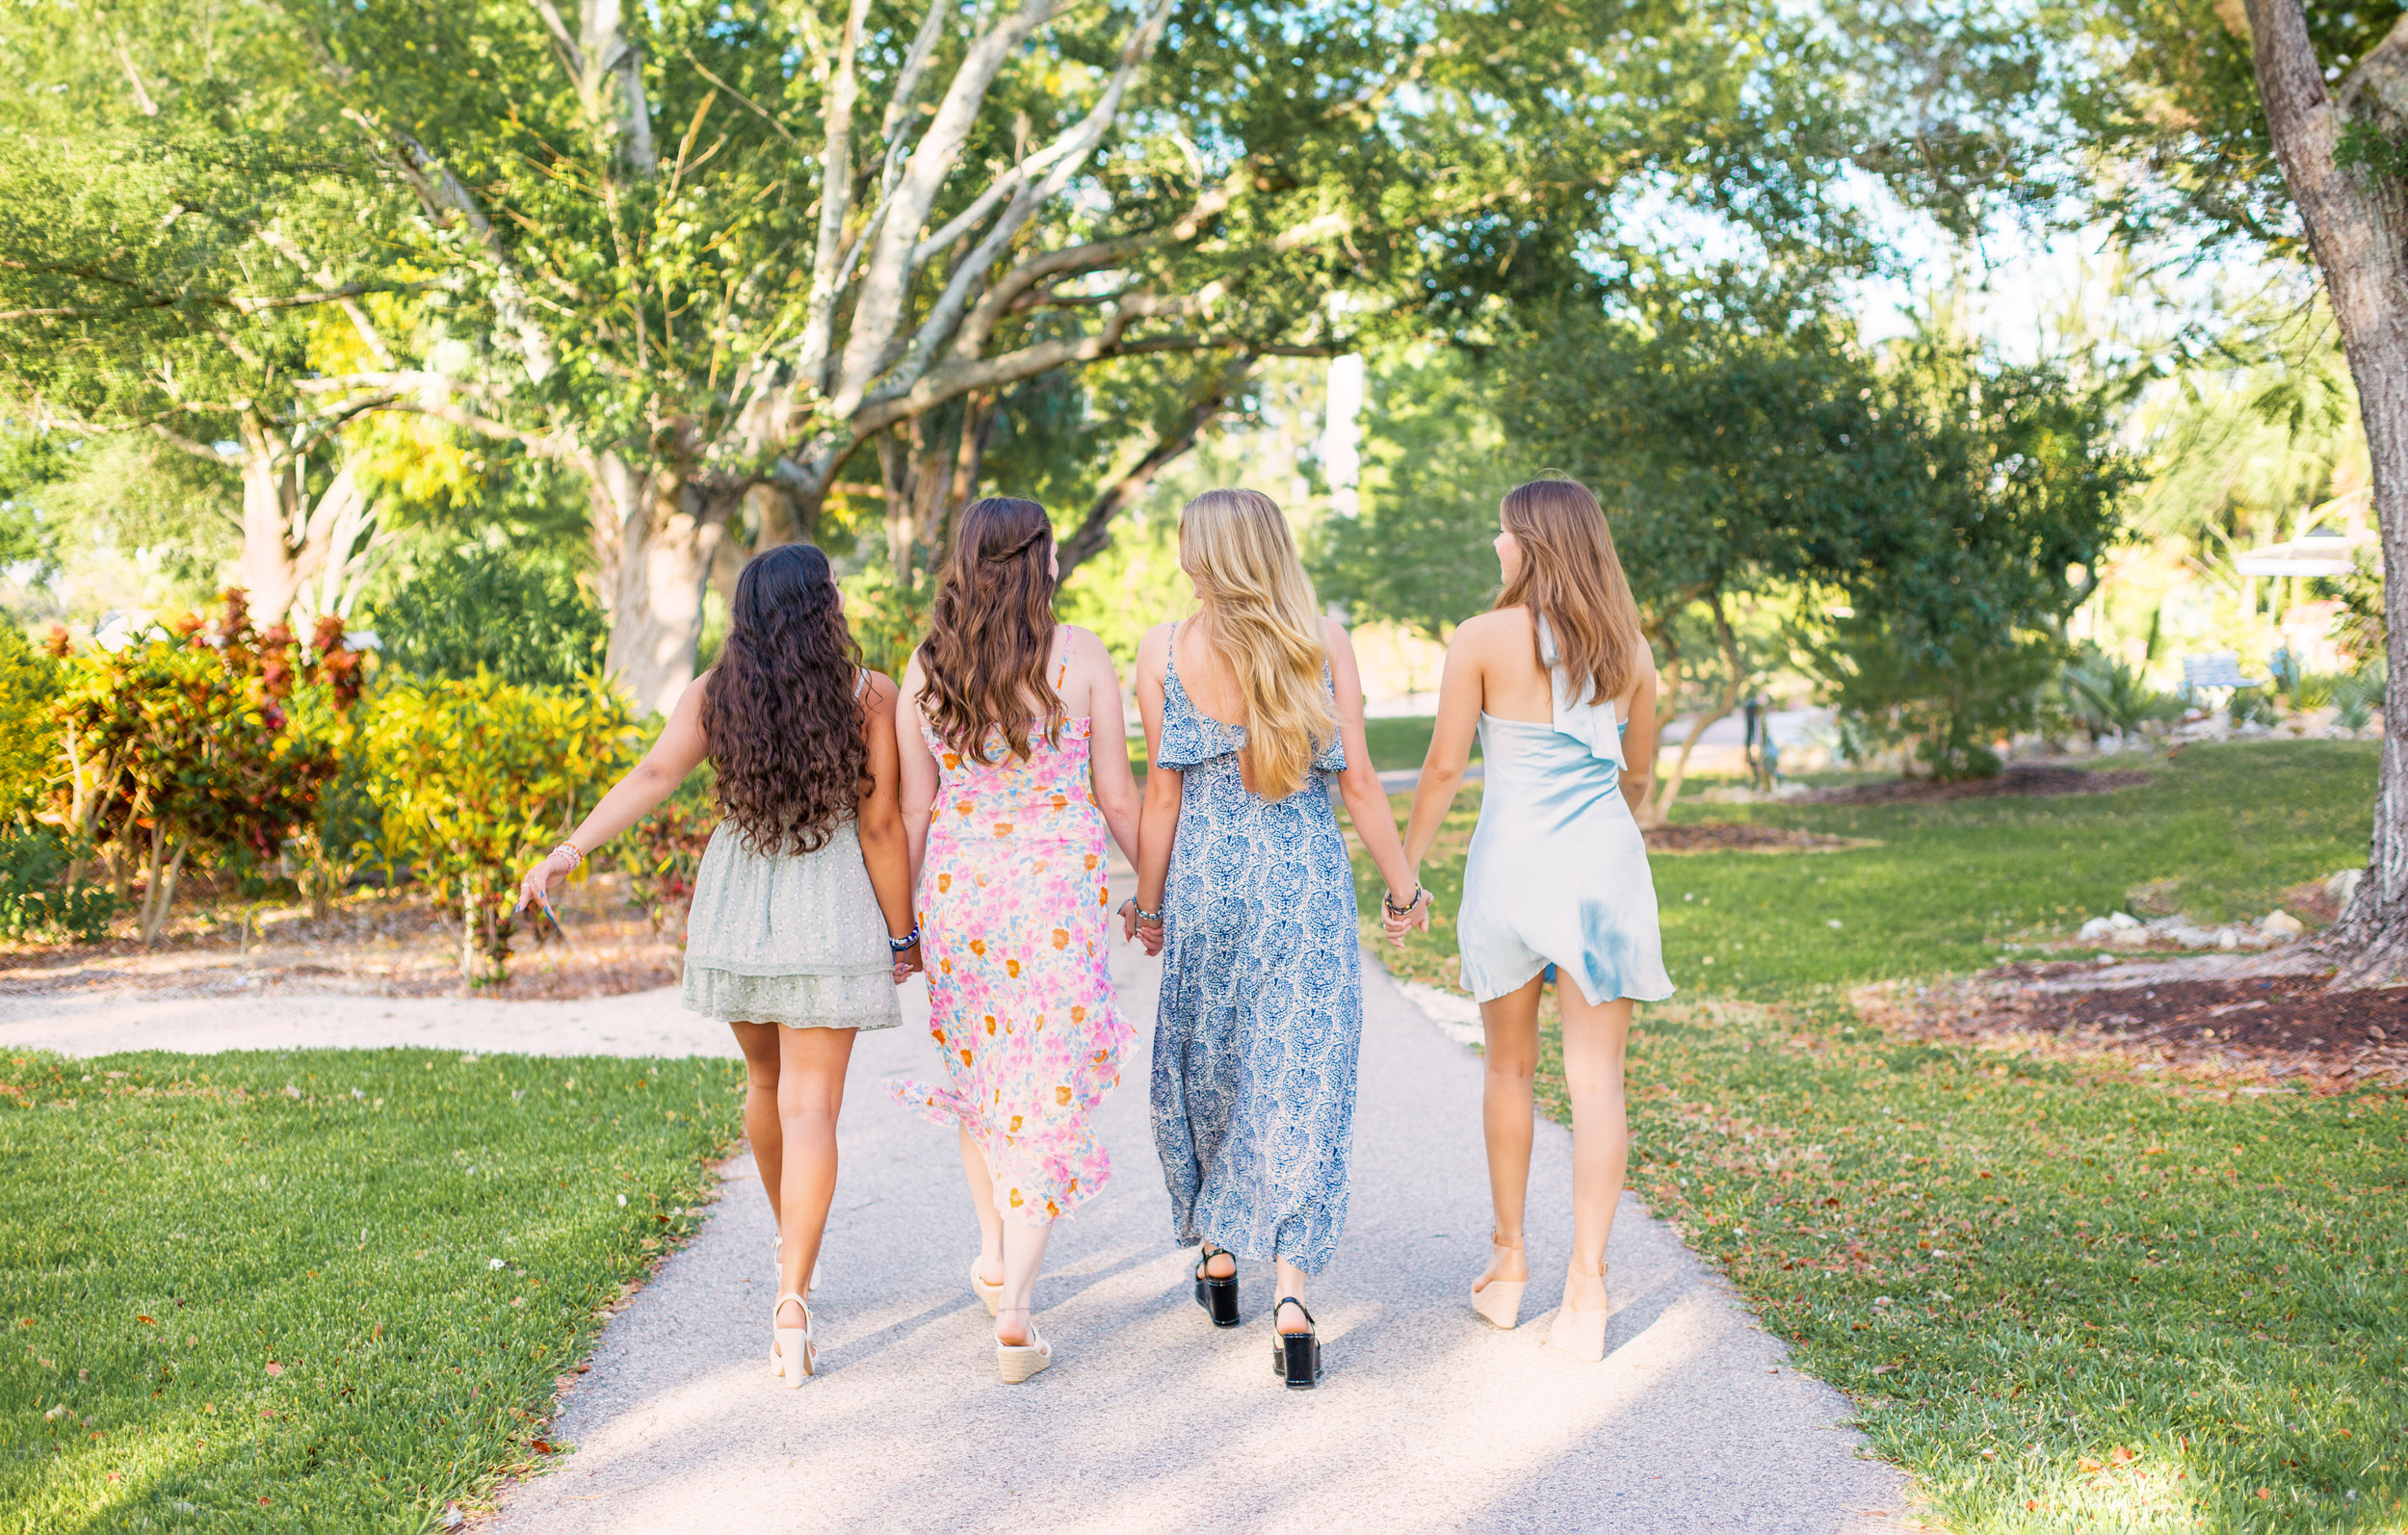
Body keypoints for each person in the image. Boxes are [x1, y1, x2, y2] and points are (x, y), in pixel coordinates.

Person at [518, 544, 919, 1388]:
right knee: (814, 1108)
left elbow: (656, 772)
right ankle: (792, 1297)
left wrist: (569, 851)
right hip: (827, 903)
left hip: (739, 902)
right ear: (822, 607)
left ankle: (790, 1256)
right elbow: (881, 827)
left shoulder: (714, 691)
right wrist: (904, 931)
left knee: (767, 1090)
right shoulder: (866, 694)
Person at [1130, 487, 1425, 1391]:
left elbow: (1162, 798)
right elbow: (1362, 784)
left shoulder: (1162, 651)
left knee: (1214, 1064)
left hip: (1210, 885)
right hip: (1301, 886)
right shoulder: (1320, 644)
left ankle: (1219, 1259)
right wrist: (1404, 888)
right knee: (1300, 1078)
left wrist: (1148, 907)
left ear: (1200, 557)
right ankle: (1291, 1301)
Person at [1391, 477, 1674, 1362]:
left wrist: (1405, 875)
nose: (1495, 546)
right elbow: (1636, 774)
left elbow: (1441, 770)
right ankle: (1585, 1292)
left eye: (1503, 534)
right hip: (1601, 878)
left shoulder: (1479, 638)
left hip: (1510, 871)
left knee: (1510, 1071)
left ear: (1533, 543)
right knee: (1599, 1088)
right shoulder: (1630, 650)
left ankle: (1509, 1267)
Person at [887, 497, 1143, 1384]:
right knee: (1050, 1095)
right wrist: (1155, 888)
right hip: (1054, 906)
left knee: (986, 1087)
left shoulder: (926, 667)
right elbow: (1118, 798)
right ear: (1041, 558)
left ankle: (996, 1257)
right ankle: (1018, 1311)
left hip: (962, 903)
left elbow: (914, 811)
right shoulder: (1078, 656)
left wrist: (901, 927)